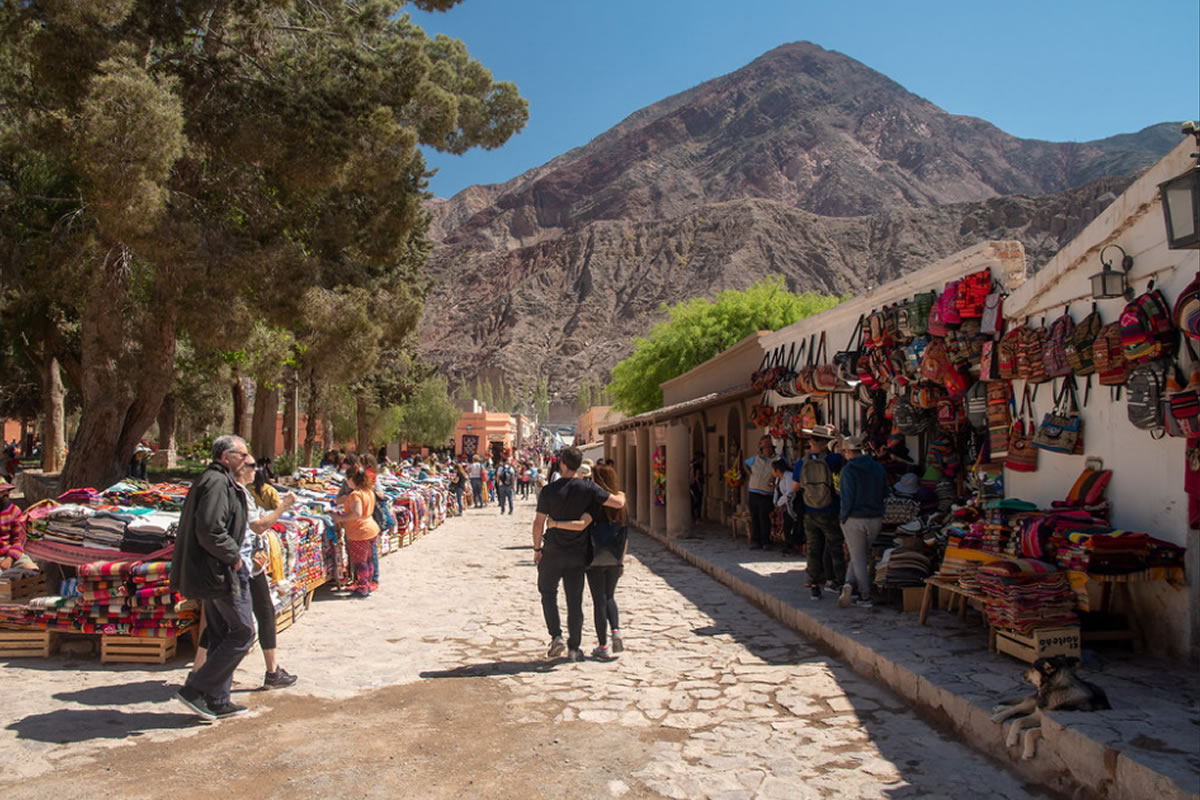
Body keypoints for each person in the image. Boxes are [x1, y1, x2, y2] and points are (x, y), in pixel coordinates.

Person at [193, 457, 299, 689]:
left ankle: (198, 672)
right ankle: (268, 673)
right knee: (251, 623)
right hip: (243, 564)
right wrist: (284, 506)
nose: (256, 470)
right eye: (251, 466)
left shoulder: (221, 489)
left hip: (226, 563)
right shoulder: (238, 493)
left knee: (216, 621)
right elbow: (258, 526)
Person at [170, 434, 256, 720]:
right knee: (243, 632)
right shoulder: (217, 483)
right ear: (225, 457)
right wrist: (234, 557)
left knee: (221, 632)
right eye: (242, 455)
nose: (246, 460)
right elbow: (210, 529)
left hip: (215, 571)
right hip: (219, 572)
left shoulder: (217, 481)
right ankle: (197, 689)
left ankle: (217, 699)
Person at [532, 446, 625, 662]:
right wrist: (621, 493)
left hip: (553, 552)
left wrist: (537, 549)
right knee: (575, 602)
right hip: (577, 555)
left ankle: (556, 636)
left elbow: (538, 523)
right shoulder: (588, 488)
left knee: (548, 593)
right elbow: (617, 503)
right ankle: (574, 648)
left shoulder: (549, 490)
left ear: (562, 464)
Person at [792, 425, 846, 600]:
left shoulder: (802, 462)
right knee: (835, 547)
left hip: (809, 511)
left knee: (813, 549)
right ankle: (839, 582)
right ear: (826, 443)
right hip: (829, 509)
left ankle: (814, 585)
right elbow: (847, 453)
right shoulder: (832, 460)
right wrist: (838, 436)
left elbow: (795, 487)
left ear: (810, 442)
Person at [584, 463, 628, 659]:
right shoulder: (620, 502)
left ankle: (602, 646)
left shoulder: (593, 502)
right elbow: (625, 534)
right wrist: (621, 561)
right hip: (614, 556)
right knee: (610, 596)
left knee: (598, 600)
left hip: (594, 556)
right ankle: (616, 631)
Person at [838, 435, 887, 608]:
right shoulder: (878, 468)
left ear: (848, 451)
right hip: (875, 518)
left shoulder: (849, 470)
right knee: (858, 553)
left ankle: (865, 596)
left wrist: (842, 518)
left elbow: (847, 498)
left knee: (858, 557)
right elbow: (884, 492)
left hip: (854, 518)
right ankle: (849, 584)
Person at [332, 463, 380, 597]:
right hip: (370, 528)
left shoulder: (356, 495)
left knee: (360, 562)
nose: (346, 482)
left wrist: (340, 518)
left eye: (348, 479)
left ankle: (363, 587)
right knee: (369, 560)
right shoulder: (369, 491)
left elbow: (357, 513)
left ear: (353, 479)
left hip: (359, 531)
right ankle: (368, 584)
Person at [742, 436, 776, 550]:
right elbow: (745, 464)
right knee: (755, 517)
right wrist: (750, 473)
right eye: (765, 448)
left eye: (770, 447)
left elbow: (784, 469)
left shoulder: (777, 459)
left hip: (766, 493)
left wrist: (774, 478)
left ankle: (766, 541)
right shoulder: (756, 459)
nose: (768, 449)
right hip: (753, 492)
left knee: (764, 518)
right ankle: (756, 541)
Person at [0, 481, 35, 576]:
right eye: (1, 492)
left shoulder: (14, 511)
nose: (5, 494)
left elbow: (18, 539)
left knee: (33, 571)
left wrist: (10, 558)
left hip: (11, 554)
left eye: (6, 491)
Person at [771, 458, 802, 555]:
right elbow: (777, 491)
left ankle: (793, 545)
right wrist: (775, 502)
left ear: (777, 470)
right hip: (785, 504)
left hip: (793, 503)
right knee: (786, 525)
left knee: (791, 524)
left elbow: (790, 492)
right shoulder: (778, 479)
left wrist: (779, 502)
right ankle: (788, 544)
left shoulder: (789, 476)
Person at [689, 452, 704, 522]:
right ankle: (697, 518)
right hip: (696, 485)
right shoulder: (698, 465)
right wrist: (700, 486)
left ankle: (693, 516)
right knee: (698, 501)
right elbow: (697, 476)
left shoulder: (691, 464)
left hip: (691, 485)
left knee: (692, 500)